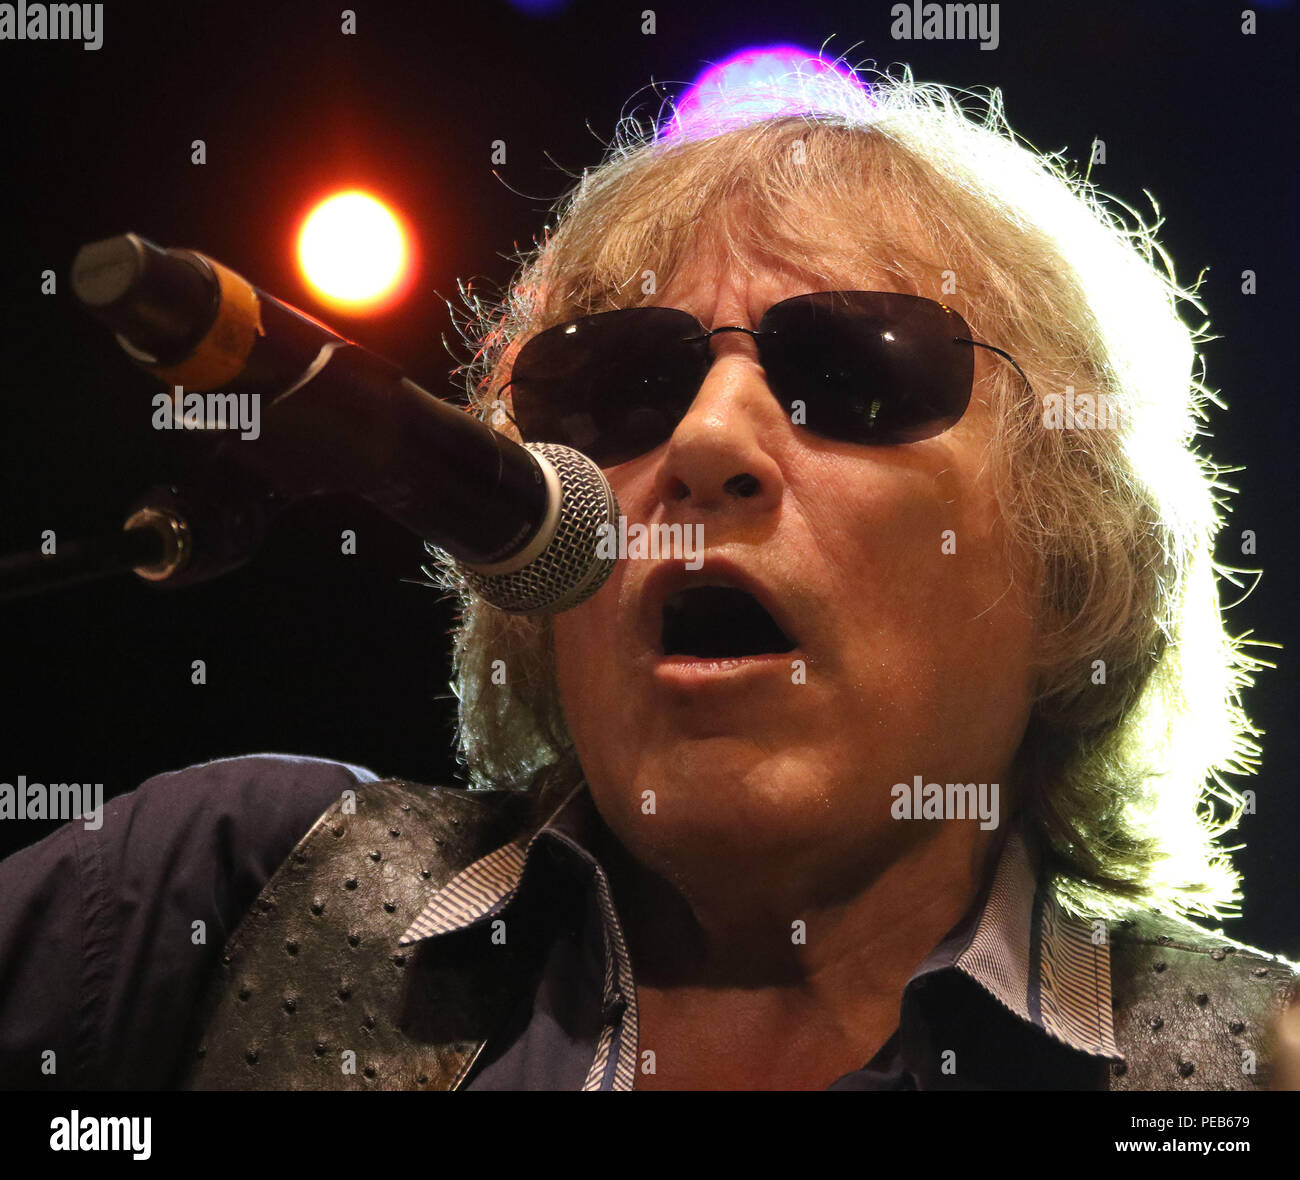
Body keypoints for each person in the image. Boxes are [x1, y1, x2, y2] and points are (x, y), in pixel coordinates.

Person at [0, 66, 1295, 1092]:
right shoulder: (223, 893)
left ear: (1071, 556)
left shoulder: (1252, 1061)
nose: (709, 442)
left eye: (847, 373)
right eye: (621, 384)